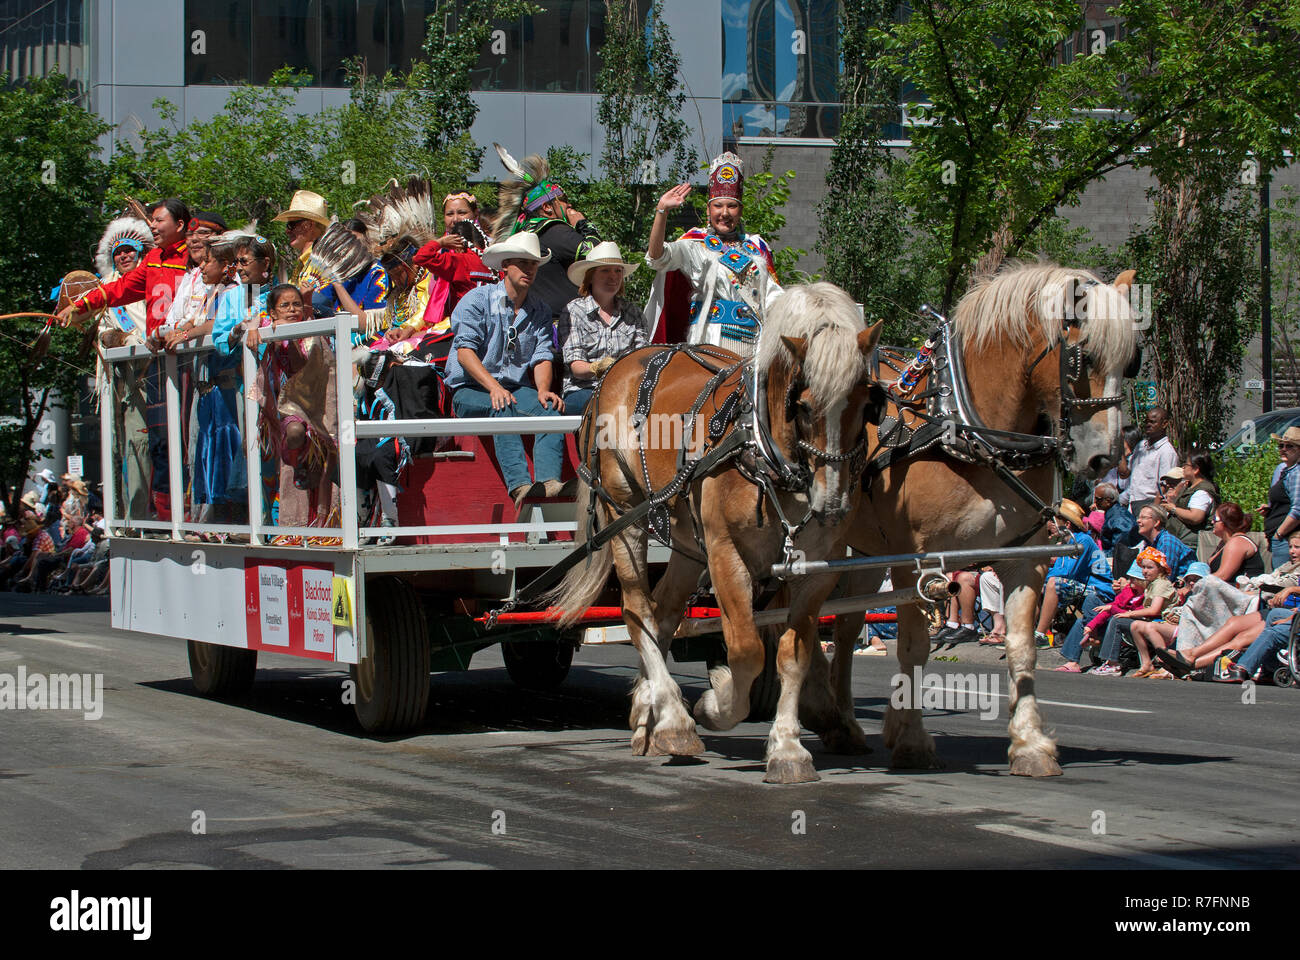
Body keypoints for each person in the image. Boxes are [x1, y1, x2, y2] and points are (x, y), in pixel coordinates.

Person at [58, 199, 193, 520]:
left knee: (191, 441)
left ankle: (200, 517)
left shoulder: (195, 256)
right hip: (153, 367)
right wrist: (77, 307)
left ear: (183, 225)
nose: (154, 225)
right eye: (153, 221)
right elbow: (117, 291)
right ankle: (163, 518)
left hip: (192, 361)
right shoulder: (155, 260)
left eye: (159, 220)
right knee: (157, 443)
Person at [444, 232, 570, 508]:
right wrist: (493, 387)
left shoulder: (539, 309)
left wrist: (543, 390)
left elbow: (542, 356)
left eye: (533, 264)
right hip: (469, 391)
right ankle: (521, 487)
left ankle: (548, 483)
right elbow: (465, 353)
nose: (529, 269)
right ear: (505, 266)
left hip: (512, 388)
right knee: (502, 406)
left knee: (549, 409)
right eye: (522, 263)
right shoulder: (477, 299)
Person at [645, 152, 783, 355]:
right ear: (709, 210)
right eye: (718, 206)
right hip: (708, 339)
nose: (724, 213)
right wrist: (662, 211)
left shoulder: (757, 246)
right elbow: (657, 257)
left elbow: (773, 296)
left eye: (732, 206)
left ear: (740, 210)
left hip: (754, 343)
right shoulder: (695, 244)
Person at [491, 149, 601, 321]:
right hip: (563, 326)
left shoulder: (524, 233)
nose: (568, 204)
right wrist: (583, 224)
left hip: (535, 320)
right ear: (547, 207)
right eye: (563, 199)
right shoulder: (553, 229)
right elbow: (596, 253)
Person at [558, 242, 649, 417]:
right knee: (611, 407)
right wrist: (597, 367)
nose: (613, 277)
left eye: (617, 271)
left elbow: (643, 359)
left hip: (626, 388)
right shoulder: (574, 311)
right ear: (590, 277)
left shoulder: (634, 313)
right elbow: (576, 367)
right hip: (583, 389)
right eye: (605, 270)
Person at [413, 192, 496, 343]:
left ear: (475, 213)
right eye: (450, 214)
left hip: (459, 328)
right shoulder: (444, 254)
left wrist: (439, 243)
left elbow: (420, 257)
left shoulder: (464, 258)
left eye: (462, 212)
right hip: (476, 326)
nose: (455, 219)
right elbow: (425, 302)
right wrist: (410, 328)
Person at [1034, 499, 1111, 648]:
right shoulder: (1066, 543)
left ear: (1067, 524)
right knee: (1035, 584)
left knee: (1054, 583)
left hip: (1099, 590)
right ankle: (1026, 633)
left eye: (1053, 521)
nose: (1049, 524)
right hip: (1080, 585)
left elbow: (1067, 573)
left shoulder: (1082, 542)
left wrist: (1045, 576)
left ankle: (1040, 635)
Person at [1090, 547, 1177, 676]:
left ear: (1160, 569)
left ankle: (1112, 663)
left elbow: (1154, 610)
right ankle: (1146, 663)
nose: (1145, 571)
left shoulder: (1161, 584)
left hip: (1163, 621)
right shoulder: (1153, 583)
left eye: (1150, 568)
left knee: (1118, 620)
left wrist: (1129, 614)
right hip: (1152, 620)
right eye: (1143, 567)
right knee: (1125, 621)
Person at [1127, 561, 1210, 677]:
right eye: (1189, 579)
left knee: (1150, 627)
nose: (1191, 582)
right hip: (1180, 626)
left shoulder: (1208, 596)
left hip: (1194, 631)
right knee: (1136, 625)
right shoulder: (1189, 595)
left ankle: (1167, 664)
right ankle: (1146, 664)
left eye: (1196, 579)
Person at [1118, 407, 1179, 515]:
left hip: (1150, 504)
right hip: (1133, 503)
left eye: (1152, 422)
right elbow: (1125, 473)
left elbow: (1164, 486)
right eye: (1146, 421)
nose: (1148, 425)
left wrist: (1152, 512)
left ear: (1164, 424)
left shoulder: (1166, 452)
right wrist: (1120, 448)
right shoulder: (1141, 446)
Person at [273, 190, 332, 290]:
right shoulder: (303, 263)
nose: (287, 231)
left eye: (291, 225)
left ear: (308, 225)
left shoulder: (323, 262)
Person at [1261, 425, 1300, 569]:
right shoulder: (1286, 471)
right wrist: (1271, 509)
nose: (1283, 449)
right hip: (1280, 539)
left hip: (1286, 539)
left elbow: (1298, 510)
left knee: (1280, 586)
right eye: (1281, 445)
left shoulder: (1297, 474)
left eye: (1289, 446)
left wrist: (1279, 534)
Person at [1160, 452, 1218, 548]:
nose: (1183, 468)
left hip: (1190, 545)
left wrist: (1173, 509)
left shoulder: (1202, 492)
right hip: (1180, 541)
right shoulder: (1190, 487)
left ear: (1195, 470)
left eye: (1186, 465)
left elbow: (1195, 517)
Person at [1205, 502, 1264, 582]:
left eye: (1215, 519)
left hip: (1244, 592)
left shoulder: (1237, 542)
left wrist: (1196, 584)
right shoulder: (1224, 543)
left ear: (1225, 522)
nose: (1212, 522)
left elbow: (1222, 576)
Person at [1094, 481, 1134, 552]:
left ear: (1108, 501)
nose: (1094, 502)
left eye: (1098, 499)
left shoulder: (1120, 518)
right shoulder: (1112, 514)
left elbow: (1120, 548)